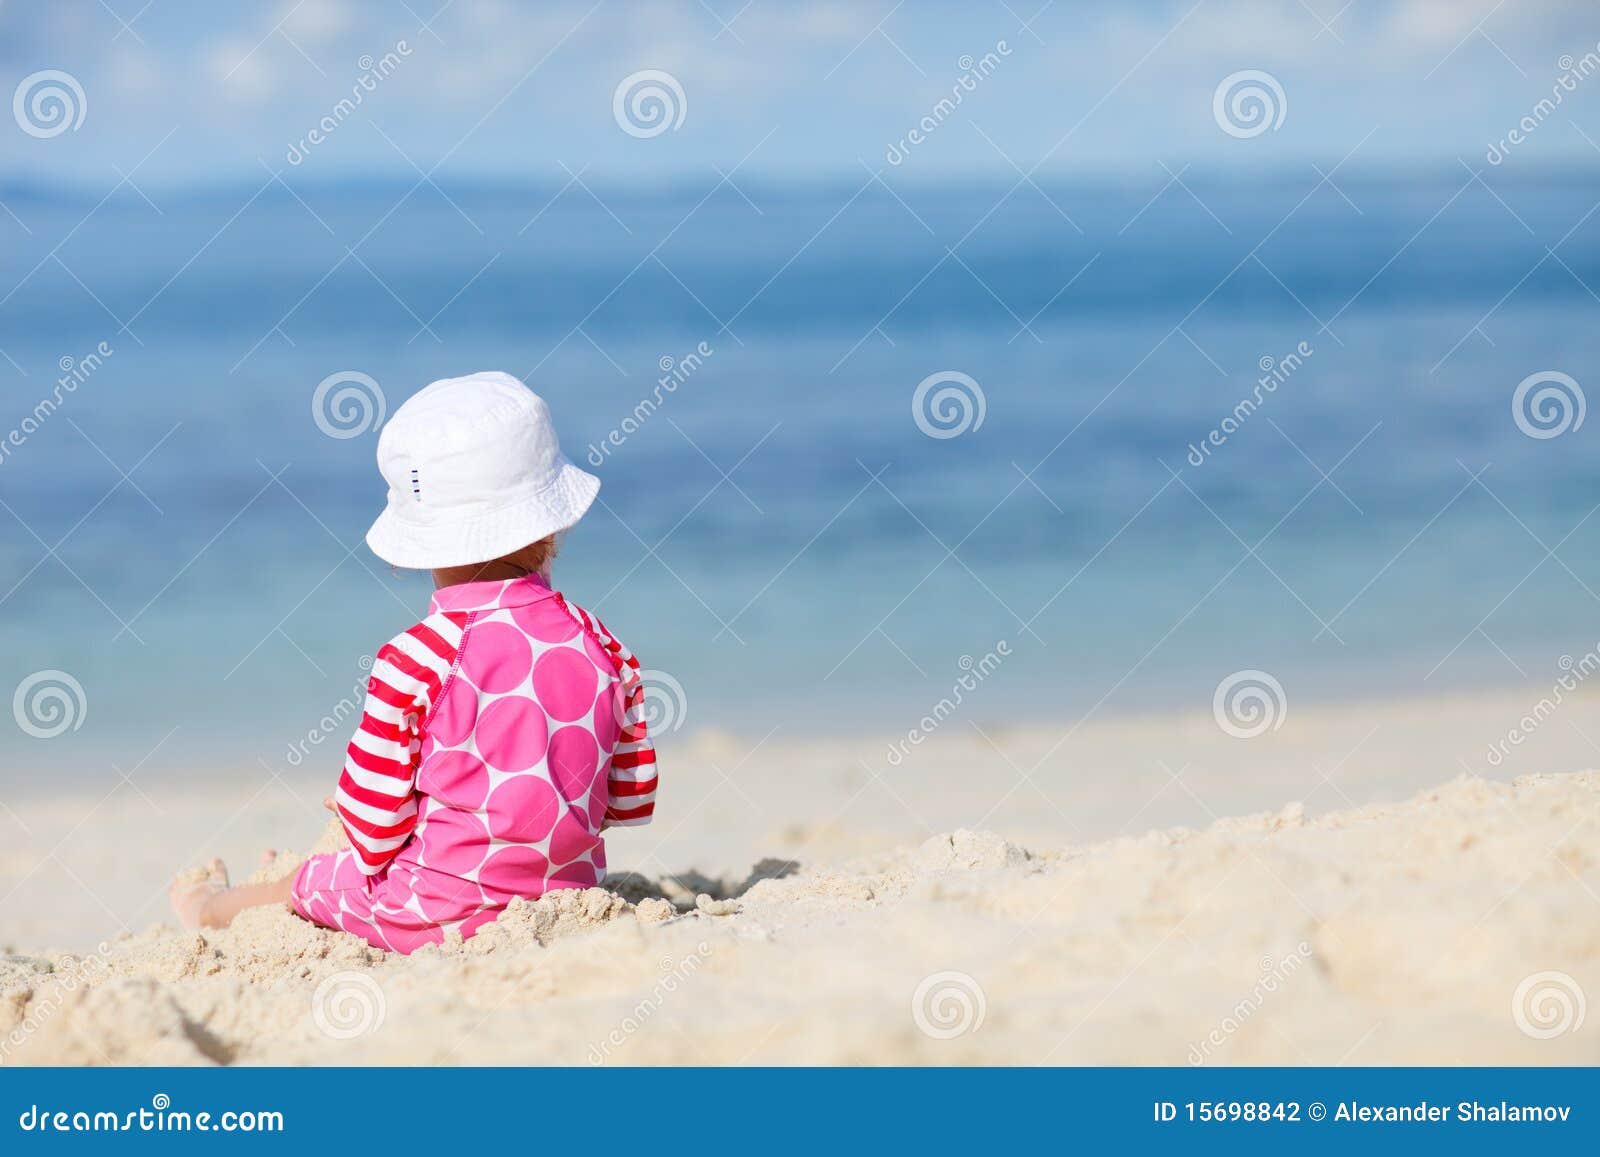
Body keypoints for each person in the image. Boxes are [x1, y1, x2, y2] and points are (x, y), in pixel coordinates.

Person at [169, 371, 657, 953]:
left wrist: (352, 811)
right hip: (568, 890)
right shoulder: (602, 644)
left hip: (434, 914)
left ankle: (208, 907)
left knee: (306, 881)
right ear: (551, 518)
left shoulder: (418, 658)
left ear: (421, 543)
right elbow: (627, 800)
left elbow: (376, 835)